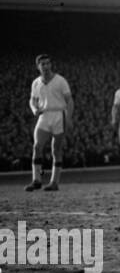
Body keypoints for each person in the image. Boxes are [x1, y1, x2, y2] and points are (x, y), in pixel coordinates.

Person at [27, 54, 74, 192]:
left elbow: (69, 100)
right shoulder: (36, 83)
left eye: (48, 63)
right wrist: (34, 109)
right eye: (43, 64)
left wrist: (69, 118)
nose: (46, 66)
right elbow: (32, 100)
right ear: (38, 67)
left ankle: (54, 182)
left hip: (59, 114)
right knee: (37, 146)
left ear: (51, 65)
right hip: (44, 115)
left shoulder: (60, 81)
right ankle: (36, 179)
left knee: (56, 149)